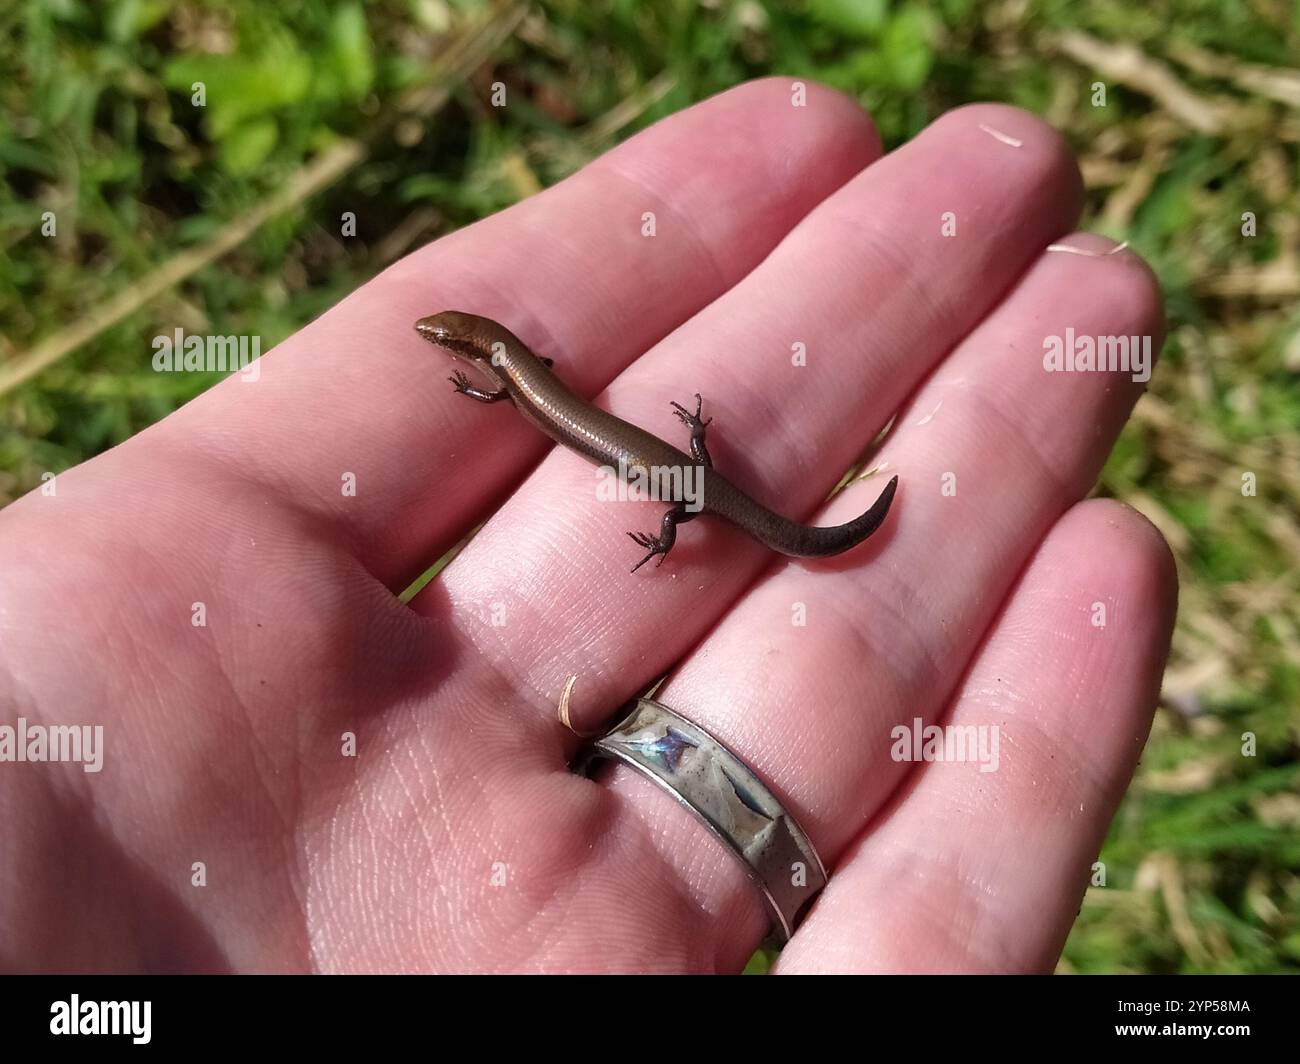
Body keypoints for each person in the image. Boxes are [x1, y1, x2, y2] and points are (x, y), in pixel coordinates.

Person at [0, 78, 1175, 973]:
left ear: (477, 350)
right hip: (678, 469)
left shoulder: (508, 377)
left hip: (682, 481)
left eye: (453, 346)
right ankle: (785, 521)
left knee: (767, 523)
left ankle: (807, 523)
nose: (449, 352)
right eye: (456, 350)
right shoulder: (518, 370)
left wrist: (668, 520)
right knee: (742, 511)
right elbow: (517, 381)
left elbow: (512, 389)